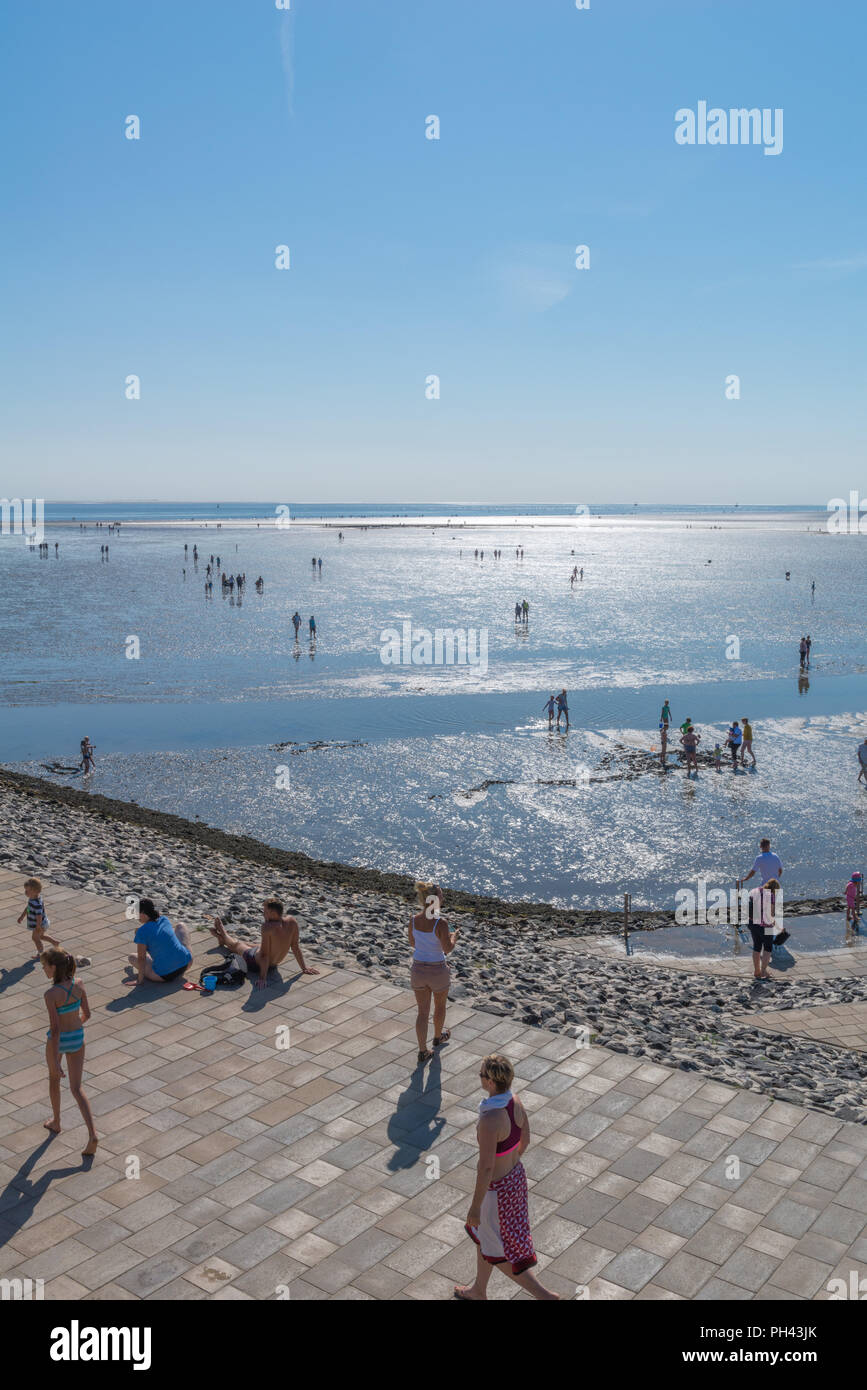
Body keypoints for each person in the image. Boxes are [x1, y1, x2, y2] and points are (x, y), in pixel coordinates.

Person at [456, 1054, 558, 1301]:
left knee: (497, 1252)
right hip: (515, 1180)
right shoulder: (514, 1101)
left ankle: (544, 1296)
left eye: (481, 1074)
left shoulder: (490, 1119)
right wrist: (511, 1162)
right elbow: (526, 1139)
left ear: (490, 1081)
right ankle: (479, 1290)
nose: (479, 1077)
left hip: (497, 1193)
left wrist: (475, 1207)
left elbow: (486, 1168)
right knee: (486, 1240)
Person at [41, 948, 98, 1156]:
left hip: (58, 1041)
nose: (44, 969)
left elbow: (55, 1029)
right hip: (77, 1039)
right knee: (76, 1088)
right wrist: (75, 1027)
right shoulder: (79, 984)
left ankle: (56, 1122)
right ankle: (92, 1134)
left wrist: (56, 1063)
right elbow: (88, 1014)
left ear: (54, 967)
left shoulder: (51, 994)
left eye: (45, 966)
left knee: (54, 1080)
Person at [211, 899, 318, 991]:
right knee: (250, 944)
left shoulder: (267, 927)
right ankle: (222, 938)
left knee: (236, 945)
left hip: (254, 961)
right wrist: (303, 968)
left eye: (265, 911)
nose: (263, 914)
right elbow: (295, 946)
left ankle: (223, 933)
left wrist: (262, 978)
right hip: (269, 960)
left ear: (272, 912)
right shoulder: (292, 921)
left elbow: (264, 955)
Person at [408, 881, 459, 1063]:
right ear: (435, 900)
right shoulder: (441, 923)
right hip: (437, 970)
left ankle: (422, 1051)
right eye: (441, 895)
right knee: (439, 1007)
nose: (443, 897)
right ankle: (437, 1038)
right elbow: (447, 949)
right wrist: (454, 937)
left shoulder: (414, 919)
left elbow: (413, 944)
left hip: (419, 970)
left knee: (422, 1012)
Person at [125, 899, 192, 985]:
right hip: (186, 963)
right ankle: (177, 956)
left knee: (132, 957)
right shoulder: (164, 919)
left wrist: (139, 980)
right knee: (181, 926)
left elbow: (142, 959)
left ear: (142, 913)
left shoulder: (142, 932)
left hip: (164, 975)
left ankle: (161, 958)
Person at [748, 878, 781, 981]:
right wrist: (778, 927)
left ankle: (756, 971)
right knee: (767, 948)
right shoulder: (770, 896)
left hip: (752, 923)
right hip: (766, 926)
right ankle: (763, 971)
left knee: (756, 947)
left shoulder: (754, 890)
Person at [18, 877, 60, 955]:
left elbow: (39, 916)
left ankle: (40, 954)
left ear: (35, 891)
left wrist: (38, 926)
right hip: (41, 923)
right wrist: (22, 916)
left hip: (40, 924)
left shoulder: (36, 903)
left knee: (35, 938)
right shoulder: (32, 899)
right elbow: (28, 908)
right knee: (41, 936)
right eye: (25, 890)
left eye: (28, 890)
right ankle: (55, 942)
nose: (26, 892)